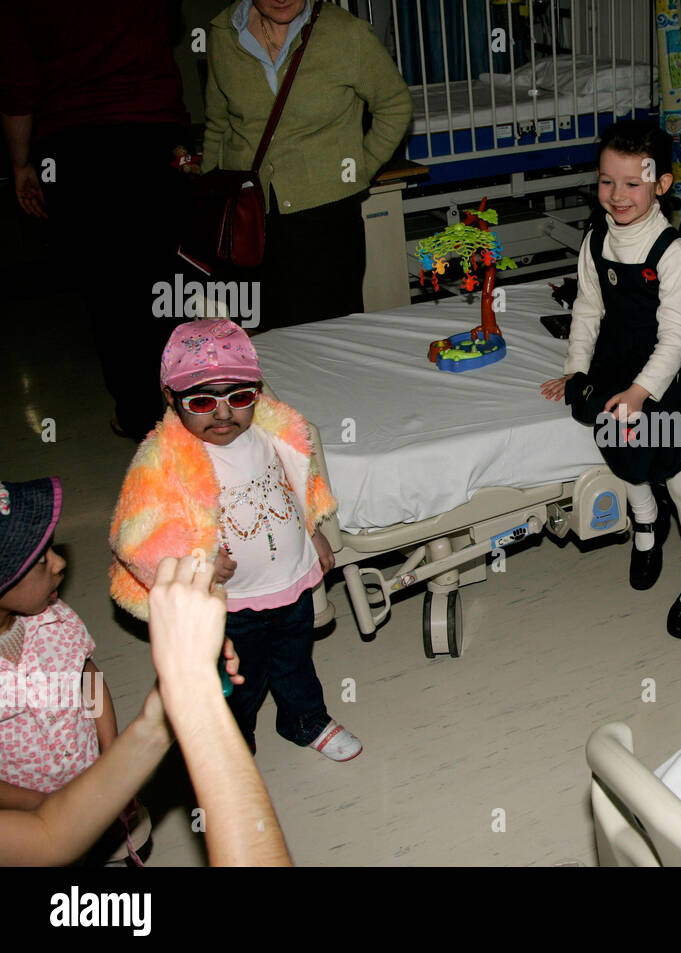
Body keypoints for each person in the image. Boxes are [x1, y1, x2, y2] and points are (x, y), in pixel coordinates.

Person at [109, 319, 361, 760]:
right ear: (171, 398)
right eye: (202, 400)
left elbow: (299, 483)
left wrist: (314, 529)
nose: (223, 414)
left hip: (292, 583)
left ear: (257, 392)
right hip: (231, 603)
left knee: (296, 662)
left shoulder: (272, 432)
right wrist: (195, 562)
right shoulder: (164, 459)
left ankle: (304, 719)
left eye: (239, 397)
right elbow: (136, 535)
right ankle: (232, 743)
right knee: (238, 679)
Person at [541, 120, 681, 639]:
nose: (618, 195)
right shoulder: (595, 240)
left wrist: (640, 391)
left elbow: (676, 336)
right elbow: (586, 310)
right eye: (607, 181)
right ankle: (646, 522)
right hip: (621, 359)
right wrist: (576, 370)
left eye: (633, 183)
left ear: (662, 184)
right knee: (619, 440)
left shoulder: (673, 251)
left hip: (678, 366)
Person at [2, 553, 290, 867]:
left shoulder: (54, 618)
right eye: (40, 559)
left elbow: (50, 835)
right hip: (28, 800)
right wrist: (200, 710)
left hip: (89, 776)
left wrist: (154, 717)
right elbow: (46, 836)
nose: (59, 563)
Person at [0, 0, 198, 440]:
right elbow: (170, 25)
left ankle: (140, 416)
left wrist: (20, 163)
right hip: (154, 137)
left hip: (77, 147)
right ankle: (191, 410)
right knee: (167, 286)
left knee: (110, 294)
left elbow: (17, 82)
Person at [202, 0, 412, 330]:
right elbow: (217, 124)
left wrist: (357, 170)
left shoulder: (346, 33)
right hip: (248, 219)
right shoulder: (223, 34)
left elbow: (395, 105)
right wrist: (210, 203)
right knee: (257, 341)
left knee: (328, 337)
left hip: (326, 218)